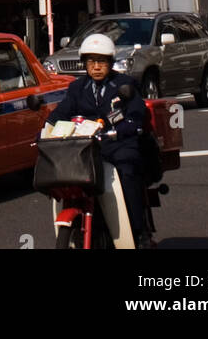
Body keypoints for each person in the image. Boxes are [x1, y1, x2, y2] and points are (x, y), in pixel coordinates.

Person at [49, 32, 155, 249]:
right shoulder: (77, 88)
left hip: (118, 146)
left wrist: (123, 130)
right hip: (87, 149)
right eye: (91, 62)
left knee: (127, 175)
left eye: (101, 61)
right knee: (63, 179)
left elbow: (137, 115)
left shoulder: (125, 84)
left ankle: (138, 233)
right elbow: (61, 112)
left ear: (110, 62)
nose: (96, 66)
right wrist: (46, 129)